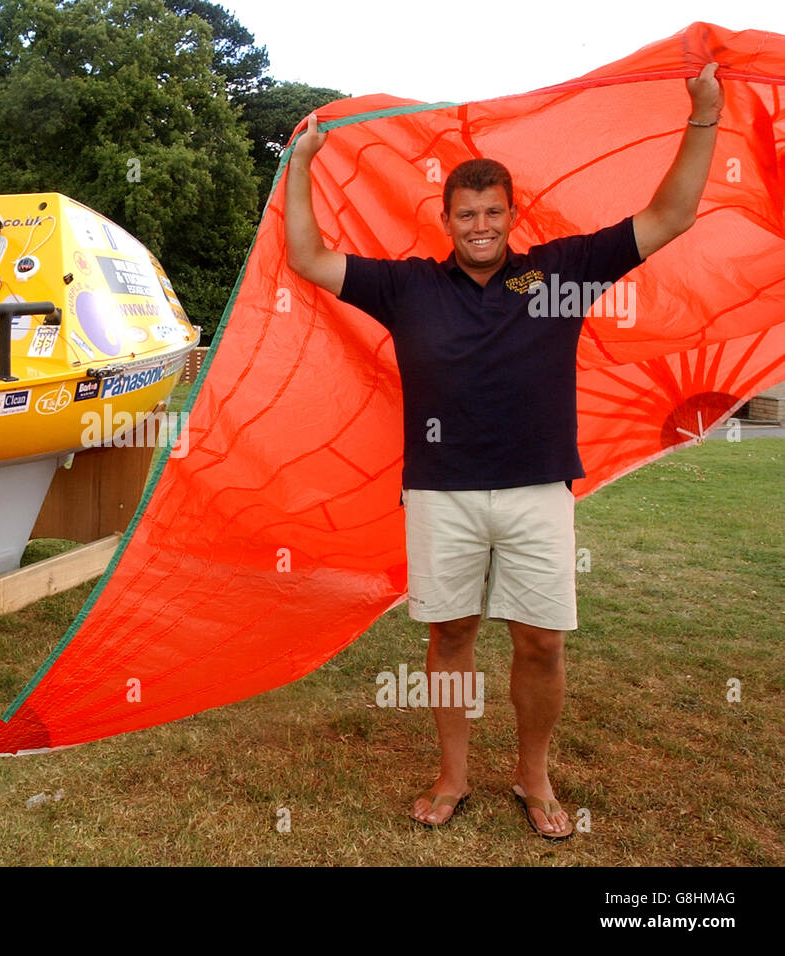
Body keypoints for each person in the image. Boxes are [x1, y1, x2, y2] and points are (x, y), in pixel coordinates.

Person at [284, 64, 723, 838]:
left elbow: (673, 215)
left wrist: (704, 116)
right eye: (465, 213)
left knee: (542, 642)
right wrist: (300, 165)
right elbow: (309, 260)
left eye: (492, 211)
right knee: (450, 634)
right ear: (445, 218)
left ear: (511, 213)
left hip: (537, 488)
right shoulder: (407, 286)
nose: (479, 224)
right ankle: (453, 775)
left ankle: (533, 775)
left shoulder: (564, 271)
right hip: (441, 491)